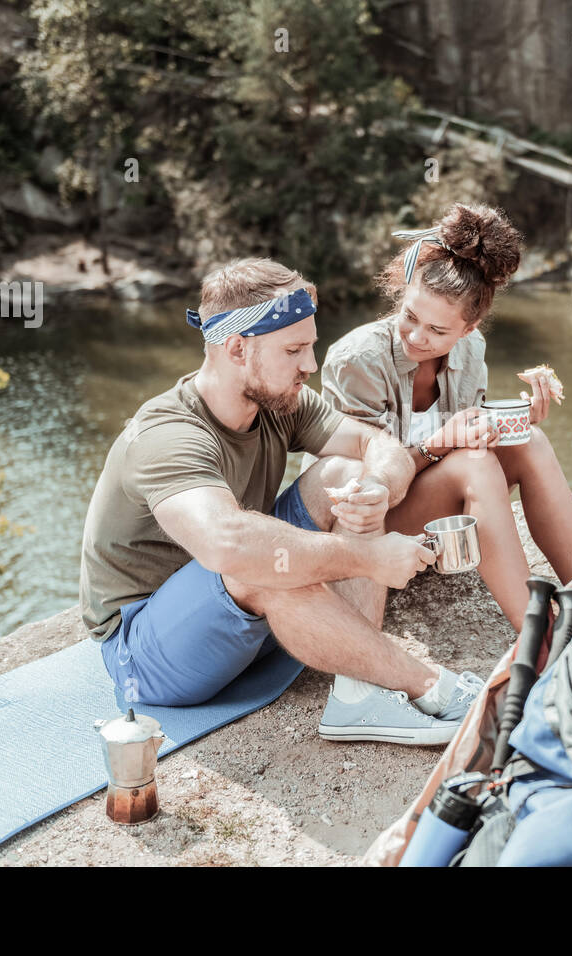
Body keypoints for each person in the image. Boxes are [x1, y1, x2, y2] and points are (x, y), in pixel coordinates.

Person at [78, 257, 484, 746]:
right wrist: (367, 557)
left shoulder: (280, 402)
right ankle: (429, 686)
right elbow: (228, 545)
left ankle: (358, 694)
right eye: (294, 350)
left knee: (345, 477)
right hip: (146, 654)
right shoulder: (168, 435)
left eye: (309, 347)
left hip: (233, 612)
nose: (310, 366)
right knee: (257, 558)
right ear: (236, 348)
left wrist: (377, 486)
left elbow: (378, 445)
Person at [320, 202, 572, 633]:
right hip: (367, 529)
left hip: (430, 512)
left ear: (469, 328)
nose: (416, 336)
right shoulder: (358, 360)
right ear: (402, 294)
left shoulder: (471, 349)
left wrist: (518, 420)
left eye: (438, 331)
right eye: (410, 316)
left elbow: (470, 436)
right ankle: (537, 634)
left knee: (530, 443)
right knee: (475, 463)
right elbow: (362, 487)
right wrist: (443, 441)